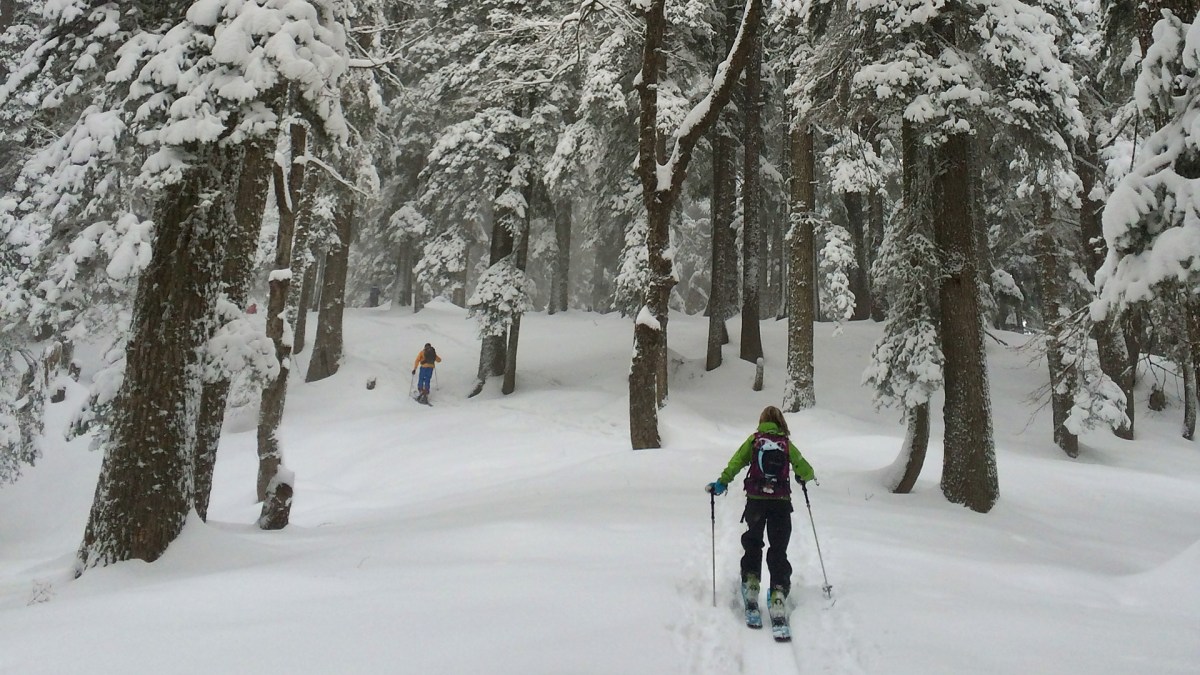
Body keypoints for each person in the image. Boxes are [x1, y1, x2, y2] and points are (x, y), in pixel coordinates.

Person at [706, 406, 816, 618]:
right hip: (780, 503)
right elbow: (805, 469)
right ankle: (778, 592)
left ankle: (751, 584)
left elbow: (736, 462)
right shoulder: (786, 444)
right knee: (778, 548)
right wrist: (804, 476)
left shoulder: (755, 441)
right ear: (781, 422)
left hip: (755, 502)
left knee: (753, 542)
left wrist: (721, 483)